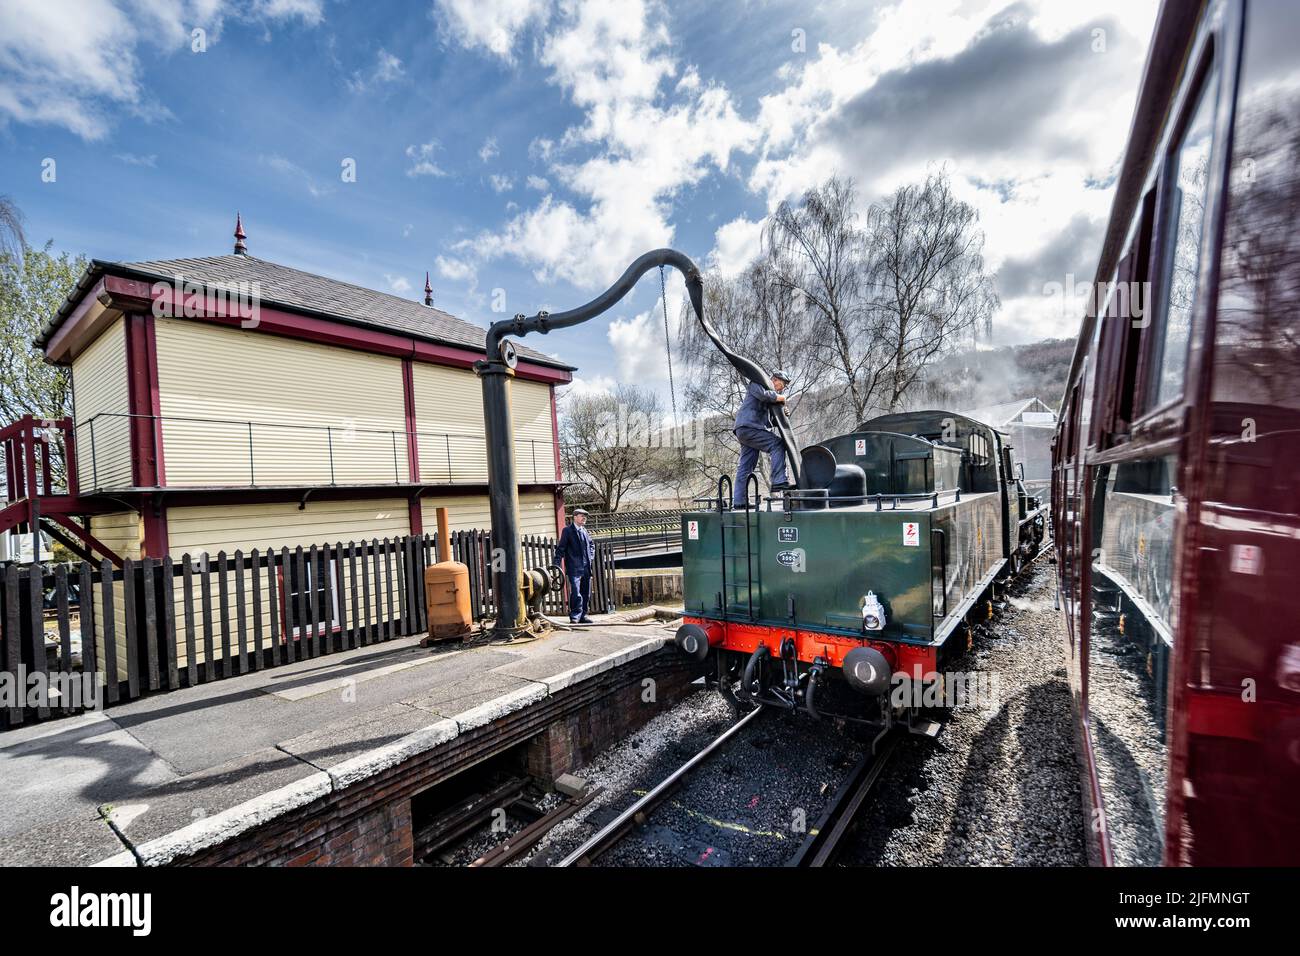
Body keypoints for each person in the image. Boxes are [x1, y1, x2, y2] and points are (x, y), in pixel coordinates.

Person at [733, 370, 792, 507]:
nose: (782, 388)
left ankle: (740, 501)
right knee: (777, 445)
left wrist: (784, 414)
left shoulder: (769, 397)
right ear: (775, 380)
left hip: (747, 429)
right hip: (749, 426)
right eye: (782, 384)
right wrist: (781, 398)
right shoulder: (757, 384)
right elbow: (764, 395)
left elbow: (772, 420)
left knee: (746, 466)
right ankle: (778, 480)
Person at [553, 507, 597, 623]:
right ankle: (575, 616)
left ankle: (583, 615)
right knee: (576, 592)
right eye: (582, 516)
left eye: (585, 516)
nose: (584, 518)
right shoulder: (567, 531)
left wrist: (590, 558)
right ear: (575, 517)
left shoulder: (584, 530)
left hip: (586, 567)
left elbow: (592, 545)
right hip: (574, 568)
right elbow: (561, 548)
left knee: (586, 592)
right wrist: (556, 564)